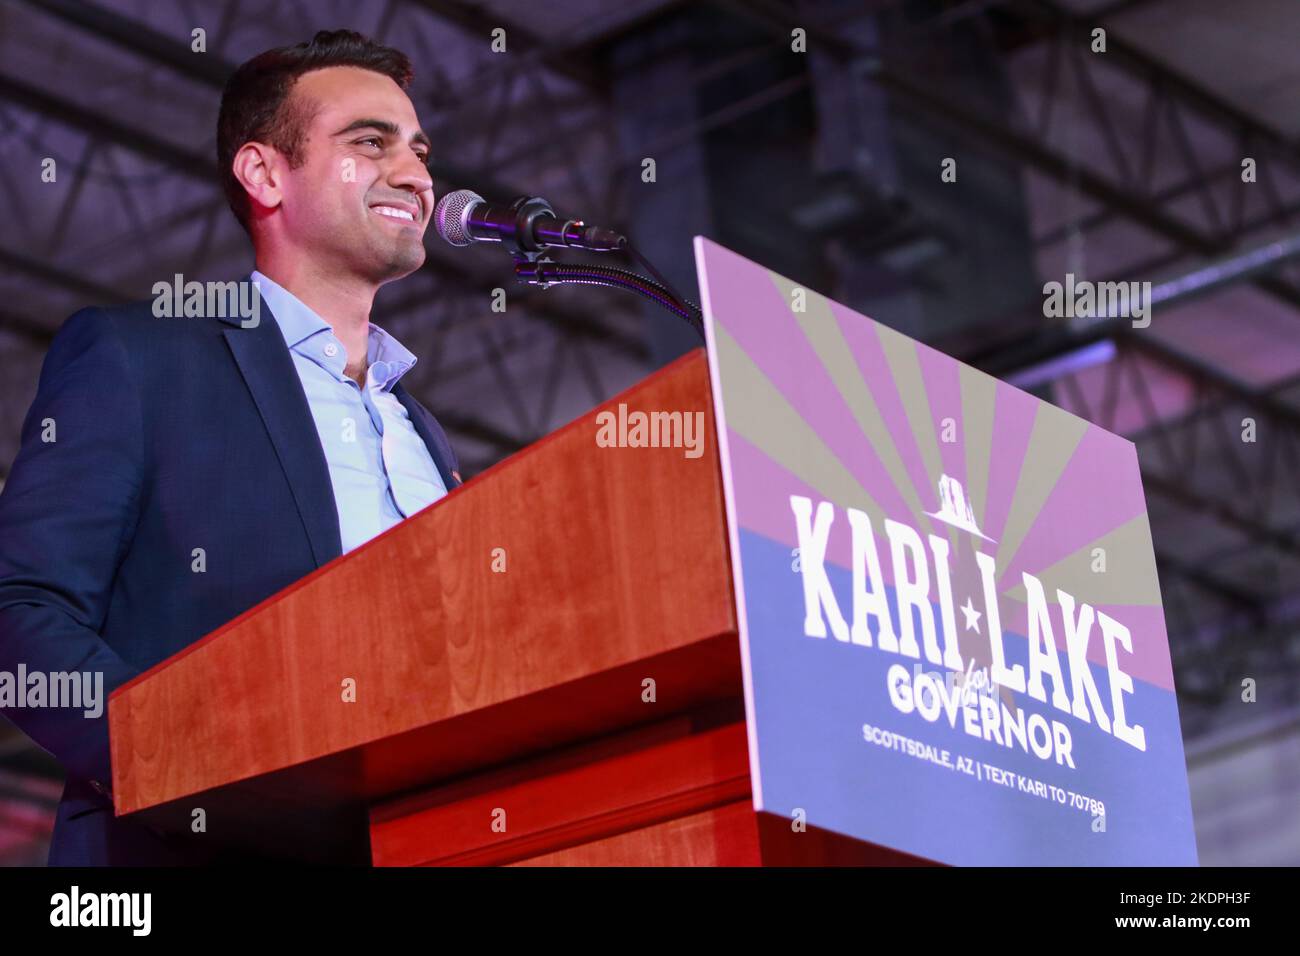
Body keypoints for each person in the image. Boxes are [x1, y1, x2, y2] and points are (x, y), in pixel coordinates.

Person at [0, 29, 460, 865]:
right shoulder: (139, 360)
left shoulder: (423, 433)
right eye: (371, 142)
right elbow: (21, 614)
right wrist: (196, 768)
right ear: (264, 173)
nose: (416, 174)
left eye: (420, 151)